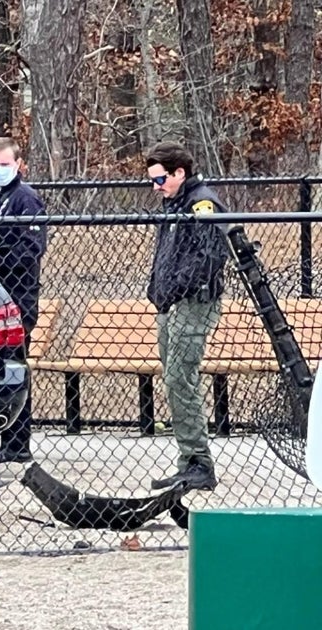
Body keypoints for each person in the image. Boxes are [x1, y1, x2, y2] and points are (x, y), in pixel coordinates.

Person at [145, 140, 228, 492]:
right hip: (170, 303)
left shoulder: (201, 203)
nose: (156, 187)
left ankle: (198, 462)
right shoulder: (174, 203)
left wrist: (176, 287)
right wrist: (157, 289)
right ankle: (189, 459)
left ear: (179, 172)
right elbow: (167, 253)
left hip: (193, 302)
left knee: (181, 377)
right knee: (174, 377)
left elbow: (209, 257)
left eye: (160, 179)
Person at [0, 136, 48, 466]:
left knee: (15, 364)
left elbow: (32, 248)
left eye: (4, 164)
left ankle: (17, 443)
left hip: (19, 293)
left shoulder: (26, 199)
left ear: (18, 164)